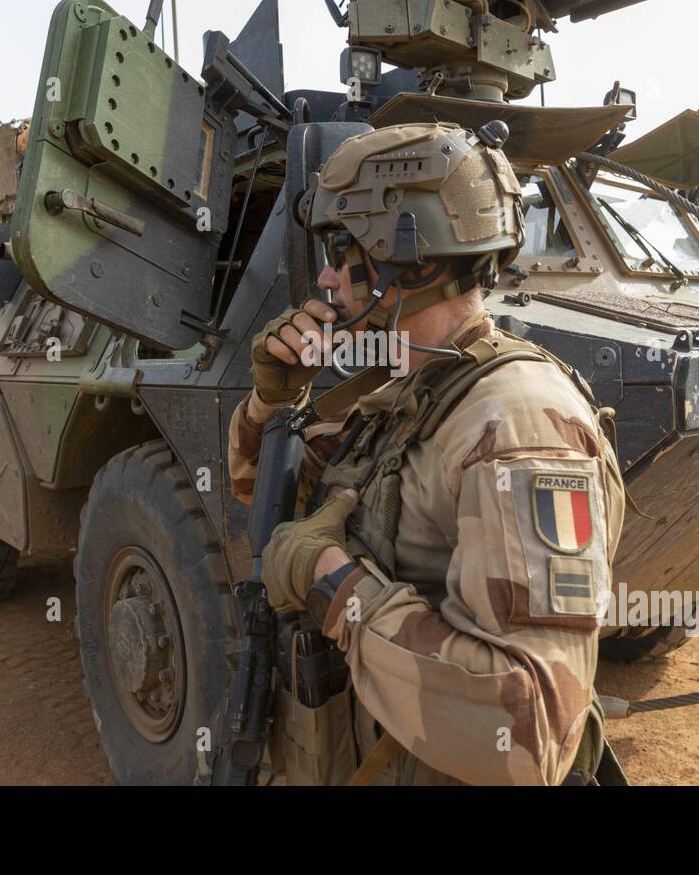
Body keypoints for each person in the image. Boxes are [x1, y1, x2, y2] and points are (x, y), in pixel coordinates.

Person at [228, 122, 627, 786]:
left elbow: (530, 735)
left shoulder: (516, 426)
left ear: (413, 261)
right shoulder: (411, 391)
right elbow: (259, 495)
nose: (326, 273)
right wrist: (274, 401)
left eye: (340, 245)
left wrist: (333, 581)